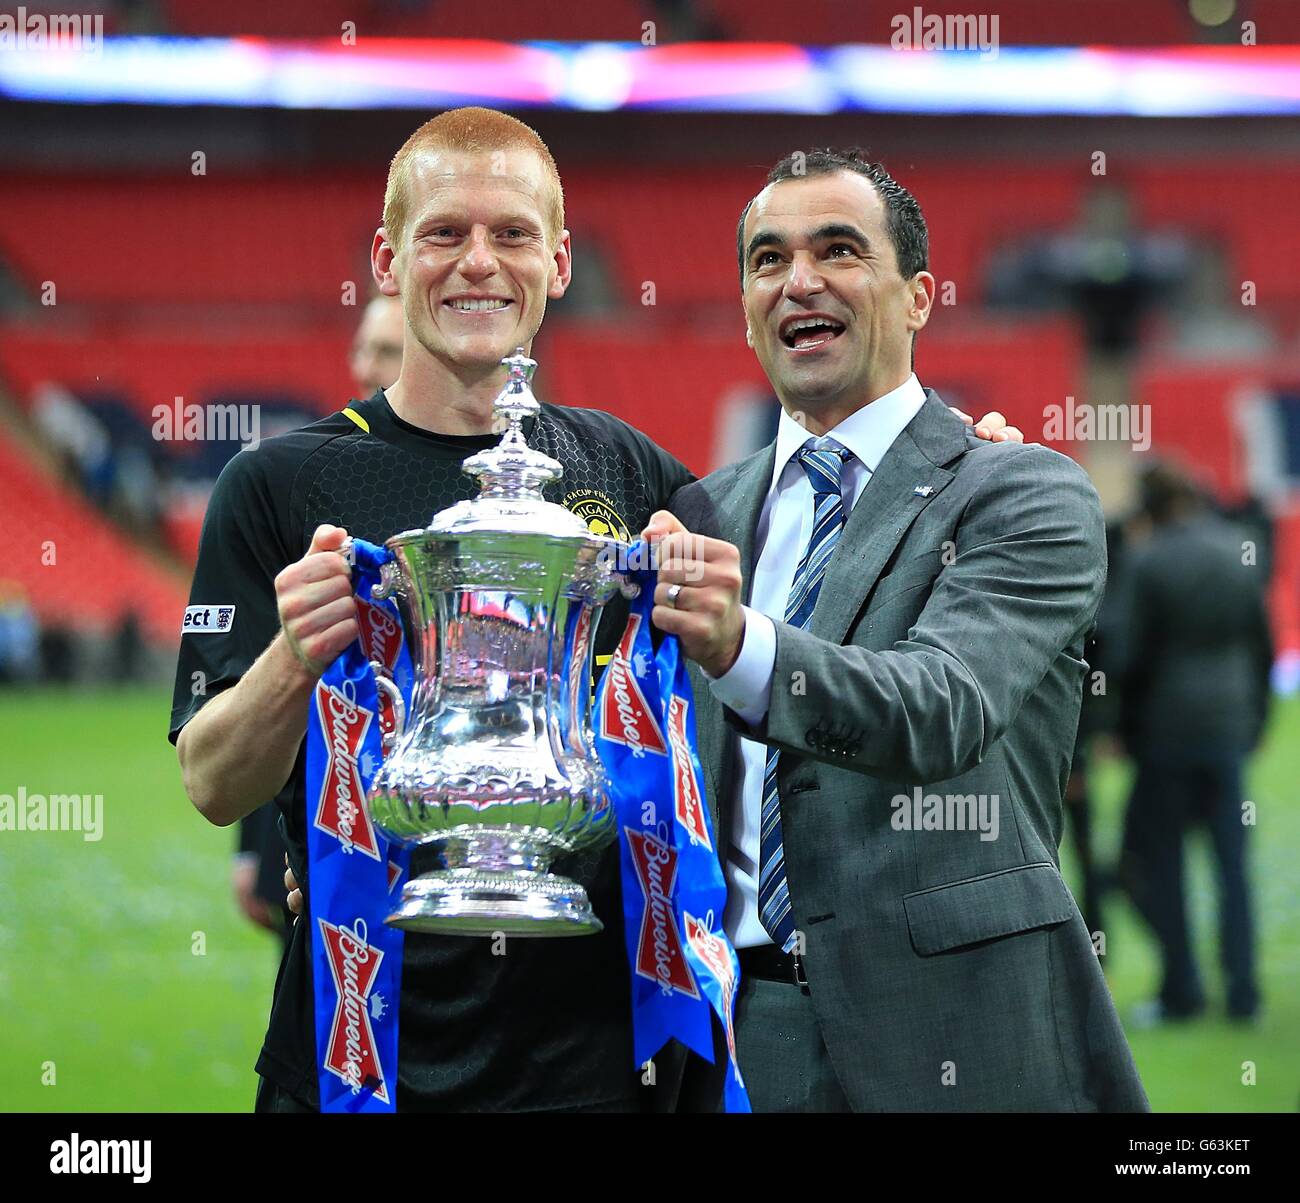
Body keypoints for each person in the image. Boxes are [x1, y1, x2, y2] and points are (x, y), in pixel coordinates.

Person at [175, 108, 1021, 1113]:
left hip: (606, 1052)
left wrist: (957, 467)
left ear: (560, 260)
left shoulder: (636, 470)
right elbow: (213, 781)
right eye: (445, 233)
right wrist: (294, 657)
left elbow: (819, 629)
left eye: (513, 234)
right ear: (389, 258)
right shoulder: (278, 485)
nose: (478, 263)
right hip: (363, 1047)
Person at [644, 149, 1148, 1112]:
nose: (799, 281)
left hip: (953, 1034)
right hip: (733, 1039)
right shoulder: (704, 509)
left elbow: (943, 704)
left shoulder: (1018, 489)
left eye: (838, 250)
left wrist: (739, 642)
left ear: (918, 296)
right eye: (768, 258)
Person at [234, 293, 406, 949]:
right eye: (363, 346)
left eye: (386, 349)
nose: (366, 363)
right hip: (315, 835)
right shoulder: (308, 478)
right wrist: (254, 844)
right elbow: (266, 678)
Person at [1114, 461, 1270, 1025]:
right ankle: (1244, 994)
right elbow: (1261, 643)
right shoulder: (1240, 548)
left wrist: (1118, 728)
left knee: (1157, 861)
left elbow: (1127, 651)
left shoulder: (1149, 558)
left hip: (1167, 730)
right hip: (1227, 724)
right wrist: (1255, 720)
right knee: (1232, 865)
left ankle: (1182, 989)